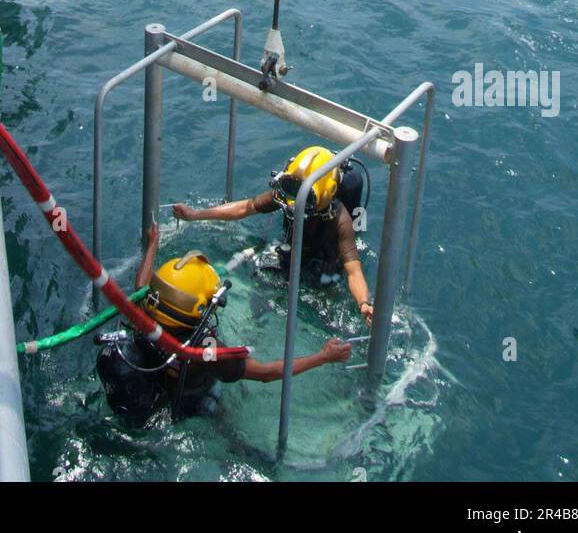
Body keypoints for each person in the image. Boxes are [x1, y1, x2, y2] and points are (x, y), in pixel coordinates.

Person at [95, 224, 351, 424]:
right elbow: (267, 373)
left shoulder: (144, 314)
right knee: (226, 427)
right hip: (190, 406)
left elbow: (141, 285)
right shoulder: (207, 351)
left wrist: (153, 244)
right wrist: (323, 357)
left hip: (153, 391)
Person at [173, 146, 374, 324]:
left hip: (324, 263)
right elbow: (246, 207)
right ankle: (255, 323)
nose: (295, 203)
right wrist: (194, 215)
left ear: (324, 195)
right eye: (291, 189)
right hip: (293, 247)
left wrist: (363, 303)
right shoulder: (287, 198)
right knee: (263, 280)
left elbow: (354, 270)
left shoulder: (340, 219)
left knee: (324, 307)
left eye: (305, 196)